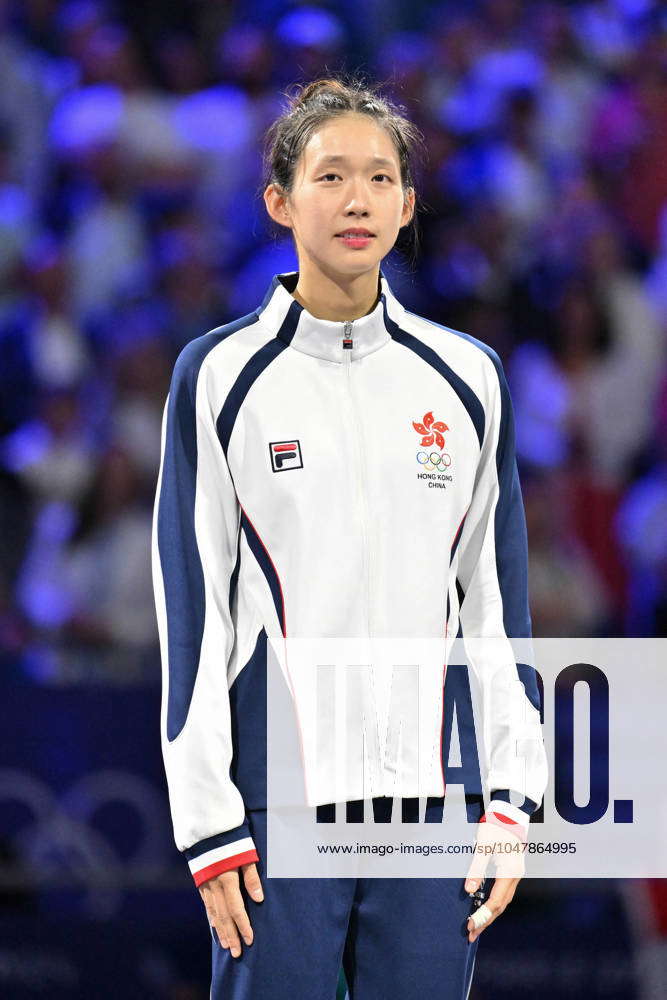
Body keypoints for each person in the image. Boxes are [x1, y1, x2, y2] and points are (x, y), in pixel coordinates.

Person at [152, 76, 547, 1000]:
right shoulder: (219, 376)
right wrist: (208, 821)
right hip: (274, 806)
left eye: (379, 178)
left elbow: (494, 609)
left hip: (432, 805)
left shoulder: (467, 378)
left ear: (407, 206)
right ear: (279, 201)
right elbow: (193, 612)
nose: (357, 199)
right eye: (330, 176)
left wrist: (511, 798)